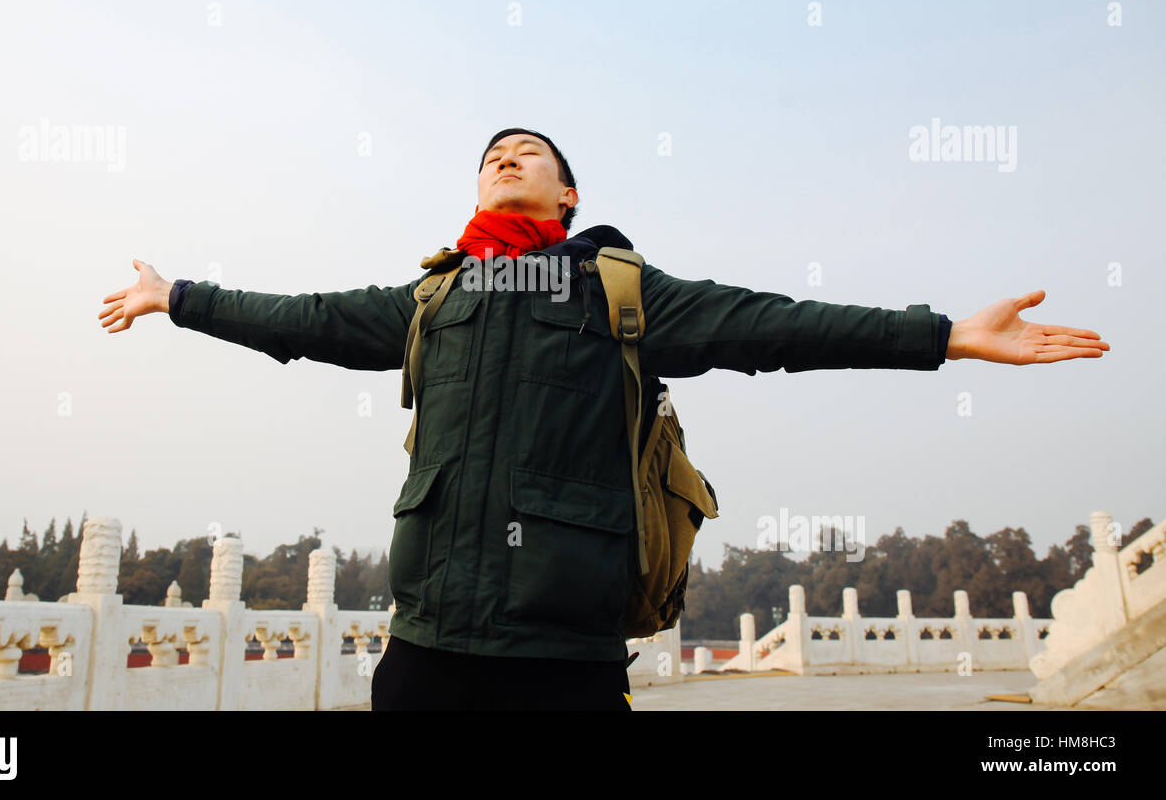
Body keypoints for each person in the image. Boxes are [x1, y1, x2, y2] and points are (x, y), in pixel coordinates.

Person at [98, 127, 1110, 711]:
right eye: (493, 151)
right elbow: (306, 320)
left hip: (563, 664)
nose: (506, 155)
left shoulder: (611, 287)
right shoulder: (433, 299)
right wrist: (179, 293)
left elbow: (772, 322)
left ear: (566, 192)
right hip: (424, 652)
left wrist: (942, 335)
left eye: (528, 151)